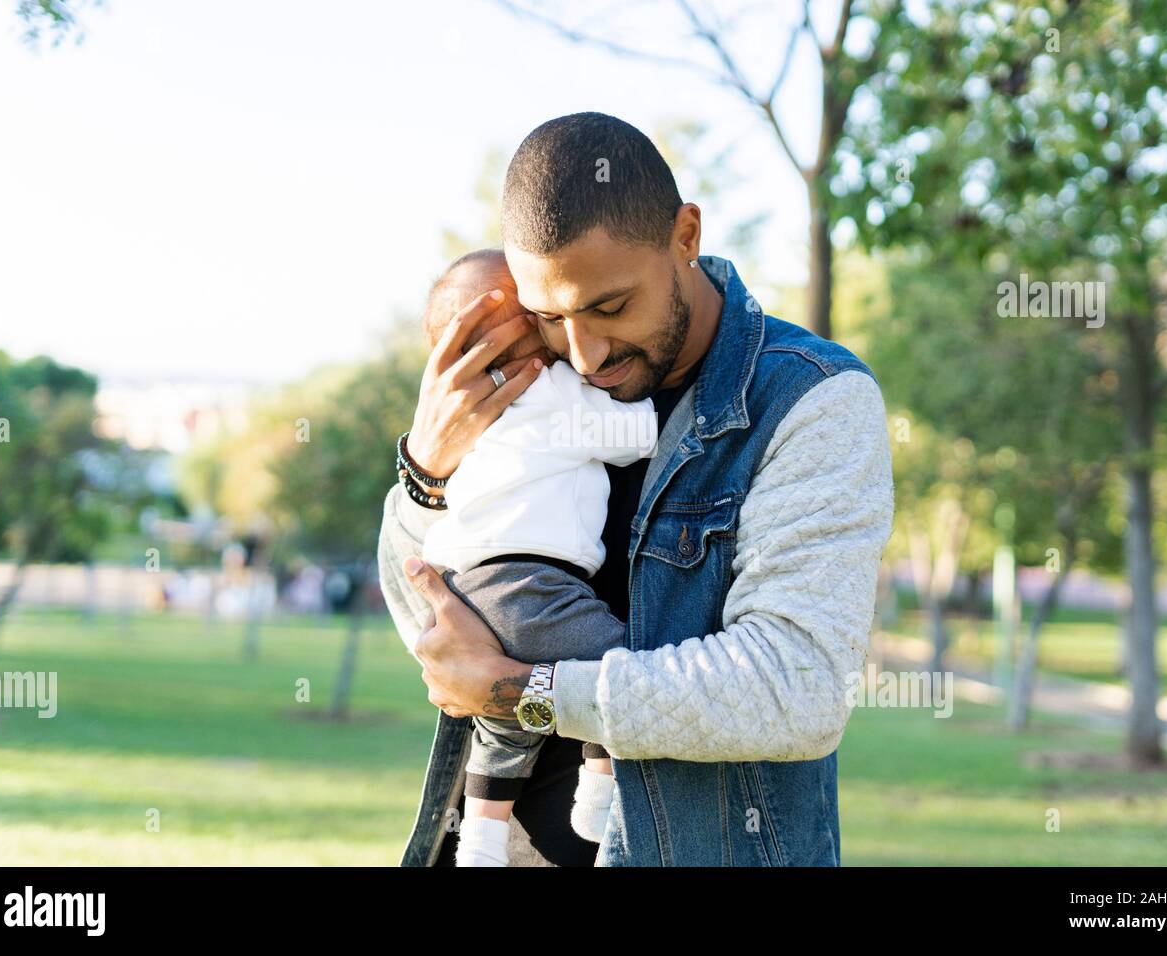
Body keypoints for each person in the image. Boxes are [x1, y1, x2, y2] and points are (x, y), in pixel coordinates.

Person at [379, 112, 894, 866]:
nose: (584, 354)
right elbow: (431, 630)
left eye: (610, 307)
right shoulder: (525, 386)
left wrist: (526, 691)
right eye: (552, 315)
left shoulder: (813, 399)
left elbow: (796, 690)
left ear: (685, 236)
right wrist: (425, 472)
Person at [403, 248, 656, 866]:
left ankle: (482, 838)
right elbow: (416, 617)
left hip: (482, 596)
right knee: (616, 666)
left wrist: (507, 689)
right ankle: (592, 786)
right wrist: (425, 470)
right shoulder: (539, 403)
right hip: (525, 594)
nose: (548, 353)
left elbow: (481, 685)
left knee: (506, 723)